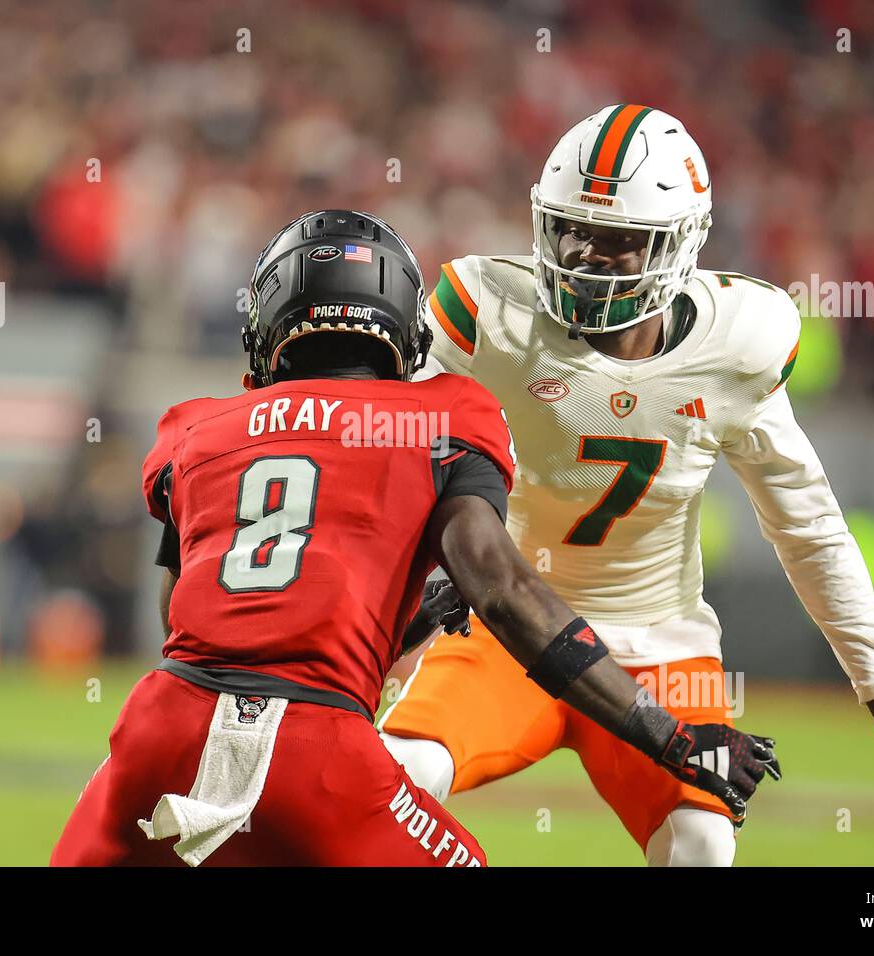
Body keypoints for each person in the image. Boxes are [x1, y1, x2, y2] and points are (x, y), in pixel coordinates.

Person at [378, 105, 874, 867]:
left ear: (678, 245)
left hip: (659, 644)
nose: (583, 257)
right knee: (390, 781)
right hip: (509, 629)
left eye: (616, 242)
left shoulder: (734, 347)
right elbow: (382, 451)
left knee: (702, 848)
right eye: (571, 231)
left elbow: (807, 525)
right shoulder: (490, 314)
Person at [51, 209, 781, 867]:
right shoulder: (443, 418)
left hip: (162, 727)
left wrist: (393, 625)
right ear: (403, 329)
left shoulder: (196, 429)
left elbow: (193, 614)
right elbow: (504, 592)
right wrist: (673, 739)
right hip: (318, 751)